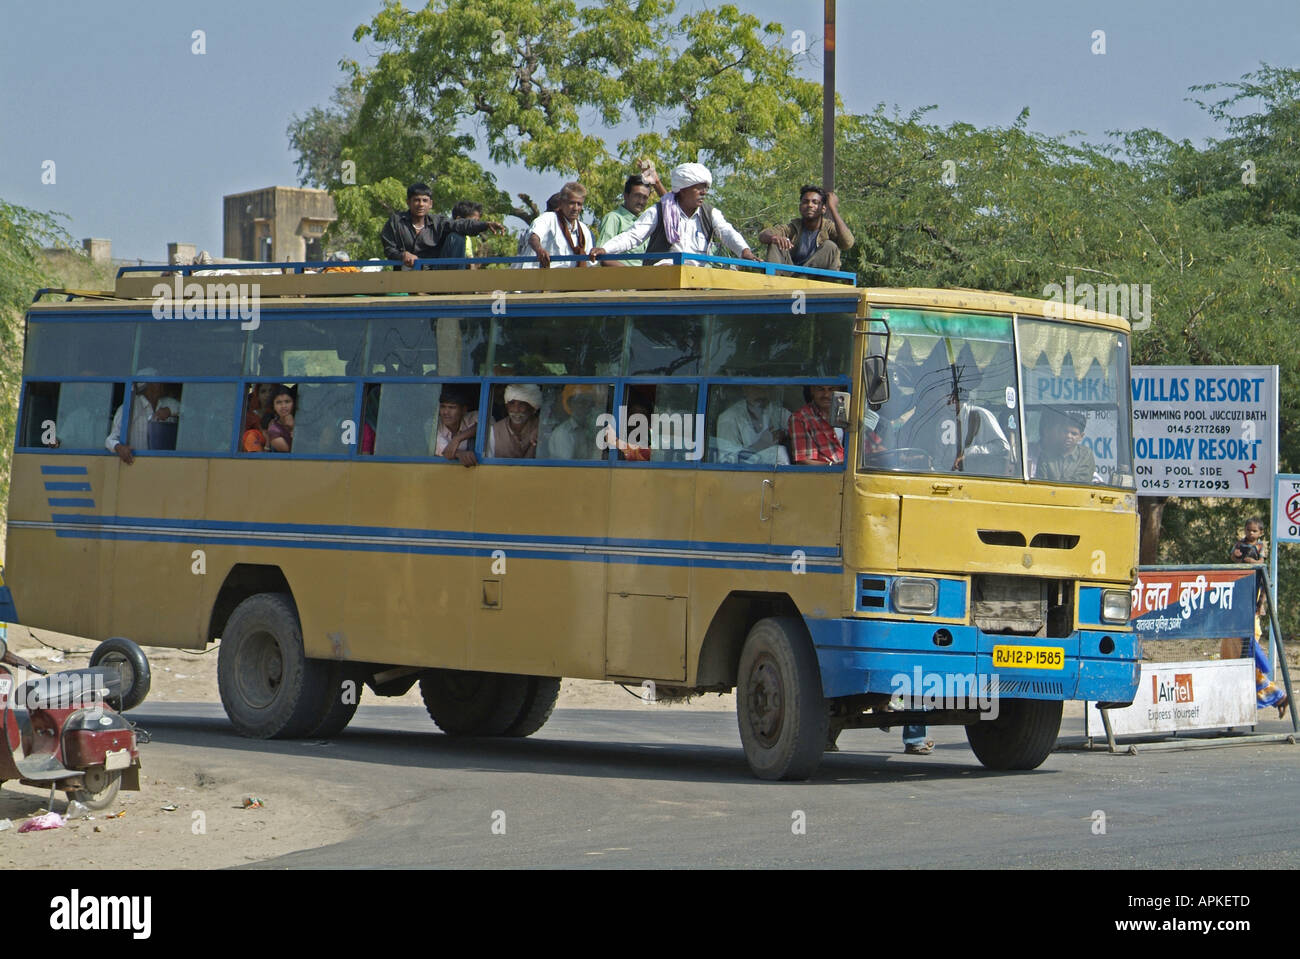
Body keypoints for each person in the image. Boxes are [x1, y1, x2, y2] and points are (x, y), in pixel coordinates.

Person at [589, 162, 757, 266]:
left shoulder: (710, 213)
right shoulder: (660, 211)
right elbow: (633, 236)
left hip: (697, 283)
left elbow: (727, 232)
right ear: (682, 190)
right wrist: (605, 248)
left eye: (705, 188)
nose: (703, 192)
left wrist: (745, 252)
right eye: (698, 187)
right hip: (663, 284)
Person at [380, 182, 504, 269]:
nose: (421, 204)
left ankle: (453, 285)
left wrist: (485, 224)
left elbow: (461, 224)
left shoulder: (438, 221)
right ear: (409, 202)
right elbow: (389, 249)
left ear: (430, 204)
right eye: (416, 200)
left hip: (435, 273)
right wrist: (403, 255)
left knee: (457, 237)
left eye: (425, 200)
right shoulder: (395, 221)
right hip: (406, 273)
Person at [758, 185, 855, 271]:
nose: (810, 205)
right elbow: (763, 235)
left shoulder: (828, 228)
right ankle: (772, 282)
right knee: (775, 242)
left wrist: (833, 208)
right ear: (800, 207)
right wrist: (774, 238)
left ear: (823, 208)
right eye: (805, 202)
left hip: (816, 279)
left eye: (815, 202)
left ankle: (803, 277)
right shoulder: (793, 227)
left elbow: (847, 243)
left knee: (830, 246)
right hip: (792, 276)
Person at [105, 369, 182, 464]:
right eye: (157, 383)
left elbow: (191, 412)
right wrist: (119, 448)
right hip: (137, 464)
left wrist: (170, 411)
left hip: (164, 463)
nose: (161, 385)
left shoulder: (167, 403)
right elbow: (110, 440)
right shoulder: (129, 407)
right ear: (148, 387)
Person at [715, 385, 792, 465]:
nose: (762, 393)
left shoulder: (774, 411)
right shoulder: (729, 419)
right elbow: (727, 462)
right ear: (745, 389)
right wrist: (761, 444)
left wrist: (784, 434)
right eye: (757, 388)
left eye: (767, 388)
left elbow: (795, 423)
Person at [526, 182, 594, 268]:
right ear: (562, 203)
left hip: (574, 278)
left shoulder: (584, 230)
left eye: (579, 204)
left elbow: (589, 264)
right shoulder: (548, 219)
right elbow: (533, 237)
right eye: (572, 203)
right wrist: (540, 250)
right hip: (545, 277)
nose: (576, 208)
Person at [595, 174, 658, 266]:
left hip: (645, 277)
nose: (641, 201)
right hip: (622, 278)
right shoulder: (613, 218)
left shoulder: (646, 222)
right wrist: (632, 276)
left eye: (645, 197)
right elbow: (603, 257)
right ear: (626, 196)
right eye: (637, 196)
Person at [1030, 408, 1097, 483]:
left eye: (1074, 434)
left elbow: (1081, 483)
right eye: (1065, 431)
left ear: (1081, 436)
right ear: (1060, 431)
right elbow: (1042, 484)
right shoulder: (1046, 454)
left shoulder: (1085, 455)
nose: (1068, 436)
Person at [543, 384, 607, 460]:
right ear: (571, 404)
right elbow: (566, 467)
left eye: (591, 404)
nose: (587, 407)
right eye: (582, 402)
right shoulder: (564, 432)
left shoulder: (586, 430)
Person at [789, 384, 844, 465]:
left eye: (831, 389)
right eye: (821, 389)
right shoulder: (801, 418)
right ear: (812, 391)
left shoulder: (849, 412)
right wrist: (834, 466)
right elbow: (804, 462)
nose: (826, 395)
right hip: (826, 475)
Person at [486, 383, 542, 458]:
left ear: (533, 408)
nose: (516, 410)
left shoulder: (543, 428)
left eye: (522, 404)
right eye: (512, 404)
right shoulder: (494, 431)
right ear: (506, 406)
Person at [434, 384, 478, 467]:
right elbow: (446, 452)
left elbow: (488, 425)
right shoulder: (433, 424)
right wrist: (459, 454)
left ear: (464, 410)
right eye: (443, 407)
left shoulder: (472, 417)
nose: (445, 412)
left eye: (452, 407)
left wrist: (458, 439)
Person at [266, 385, 297, 453]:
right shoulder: (274, 430)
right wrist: (293, 428)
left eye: (287, 401)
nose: (283, 406)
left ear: (294, 403)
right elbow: (292, 452)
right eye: (278, 402)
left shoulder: (301, 420)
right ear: (273, 406)